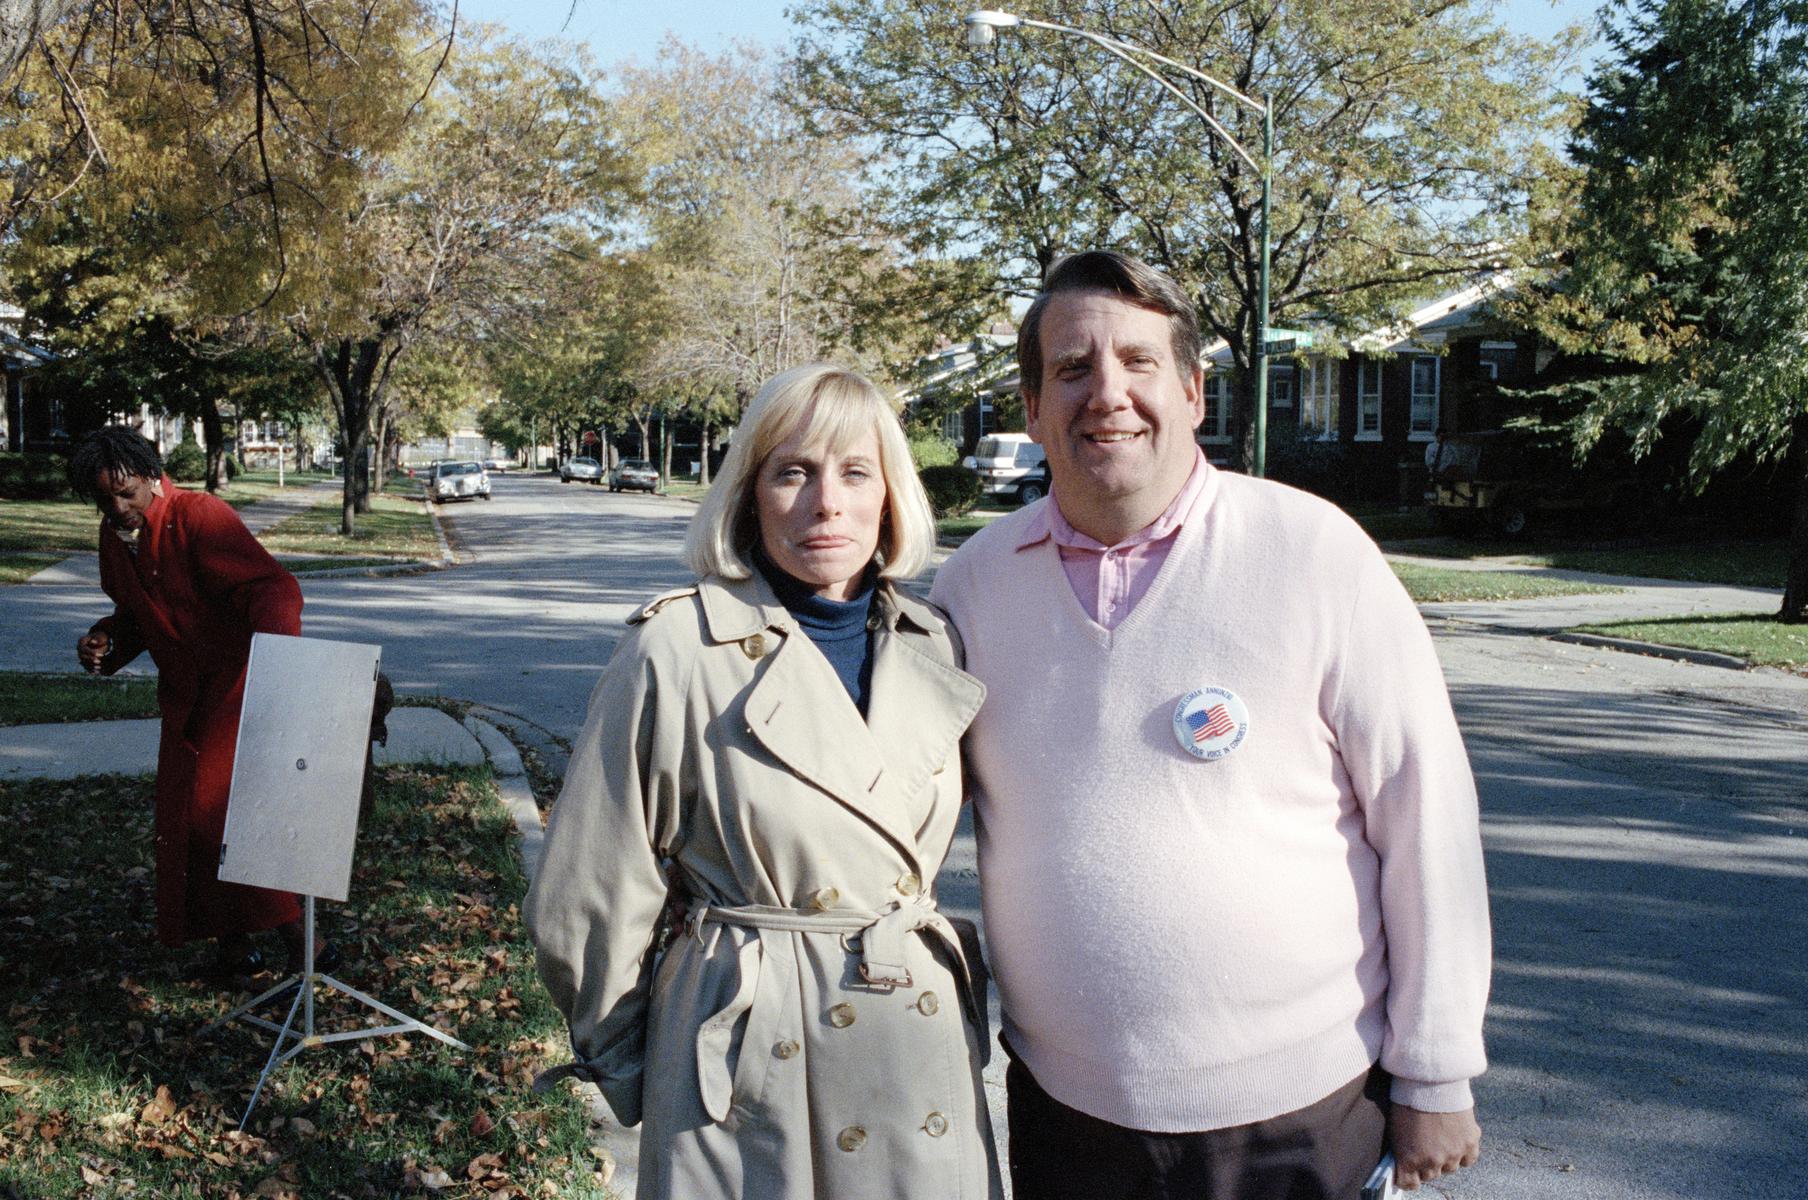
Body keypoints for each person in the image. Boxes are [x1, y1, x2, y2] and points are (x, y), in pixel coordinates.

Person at [930, 251, 1491, 1199]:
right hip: (1066, 1114)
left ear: (1193, 392)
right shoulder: (972, 586)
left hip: (1300, 1109)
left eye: (1138, 363)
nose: (1106, 392)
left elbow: (1425, 816)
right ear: (1030, 409)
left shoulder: (1310, 551)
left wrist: (1436, 1070)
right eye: (1071, 368)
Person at [527, 364, 1002, 1200]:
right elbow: (587, 895)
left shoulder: (933, 645)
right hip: (752, 1063)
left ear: (890, 496)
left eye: (856, 473)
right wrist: (646, 1064)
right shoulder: (676, 651)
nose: (828, 502)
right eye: (794, 472)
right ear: (750, 495)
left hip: (915, 1054)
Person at [69, 426, 331, 978]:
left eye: (126, 494)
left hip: (239, 687)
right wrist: (108, 641)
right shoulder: (116, 537)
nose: (117, 509)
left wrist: (279, 668)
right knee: (187, 826)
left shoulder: (200, 515)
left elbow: (273, 589)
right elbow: (140, 613)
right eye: (103, 499)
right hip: (185, 697)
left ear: (150, 476)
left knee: (227, 823)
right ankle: (235, 952)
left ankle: (308, 947)